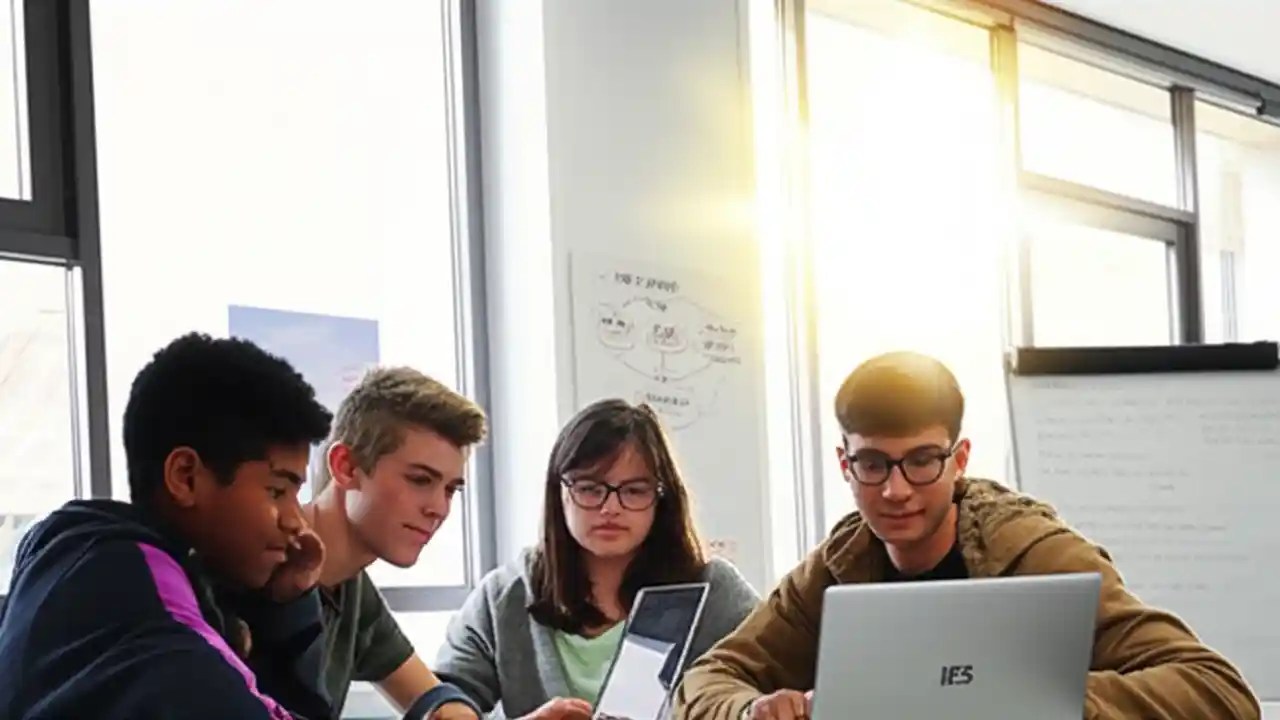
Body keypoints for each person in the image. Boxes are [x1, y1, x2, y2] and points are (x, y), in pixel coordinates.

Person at [675, 351, 1261, 720]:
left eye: (922, 460)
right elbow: (703, 681)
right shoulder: (836, 567)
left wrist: (1055, 705)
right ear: (844, 464)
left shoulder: (1033, 551)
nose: (897, 490)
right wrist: (750, 709)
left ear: (960, 459)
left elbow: (1217, 691)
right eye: (873, 464)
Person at [0, 333, 332, 718]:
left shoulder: (80, 560)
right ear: (185, 477)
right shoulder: (156, 625)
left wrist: (282, 609)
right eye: (276, 491)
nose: (296, 521)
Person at [434, 399, 760, 720]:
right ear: (558, 493)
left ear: (662, 498)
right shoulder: (503, 595)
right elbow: (440, 701)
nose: (610, 508)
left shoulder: (713, 590)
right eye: (589, 488)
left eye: (633, 491)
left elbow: (780, 680)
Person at [241, 366, 489, 718]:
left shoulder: (353, 589)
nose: (439, 508)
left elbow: (432, 697)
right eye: (420, 480)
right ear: (346, 467)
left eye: (450, 489)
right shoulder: (255, 567)